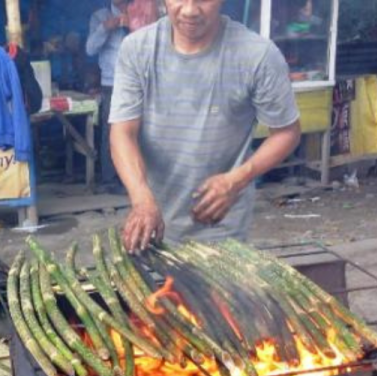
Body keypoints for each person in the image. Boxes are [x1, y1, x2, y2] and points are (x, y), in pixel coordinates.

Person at [109, 0, 302, 252]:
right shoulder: (137, 49)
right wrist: (141, 199)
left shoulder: (257, 55)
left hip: (222, 224)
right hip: (152, 220)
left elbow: (287, 131)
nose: (189, 10)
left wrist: (237, 179)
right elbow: (122, 132)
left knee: (217, 292)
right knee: (157, 292)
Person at [86, 0, 132, 194]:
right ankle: (109, 180)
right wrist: (106, 28)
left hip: (138, 83)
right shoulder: (100, 16)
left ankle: (135, 179)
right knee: (111, 133)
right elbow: (89, 49)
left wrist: (135, 25)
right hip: (111, 84)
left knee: (139, 133)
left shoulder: (142, 11)